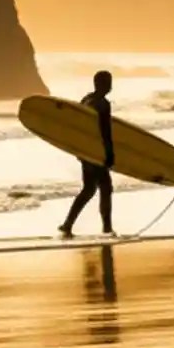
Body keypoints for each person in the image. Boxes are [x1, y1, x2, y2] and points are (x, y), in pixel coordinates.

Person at [59, 70, 116, 237]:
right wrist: (109, 154)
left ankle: (68, 224)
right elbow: (105, 132)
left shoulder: (86, 100)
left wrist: (78, 149)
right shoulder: (103, 104)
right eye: (108, 82)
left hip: (86, 152)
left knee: (89, 189)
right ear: (102, 84)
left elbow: (76, 124)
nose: (111, 86)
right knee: (105, 188)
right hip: (96, 152)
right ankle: (107, 228)